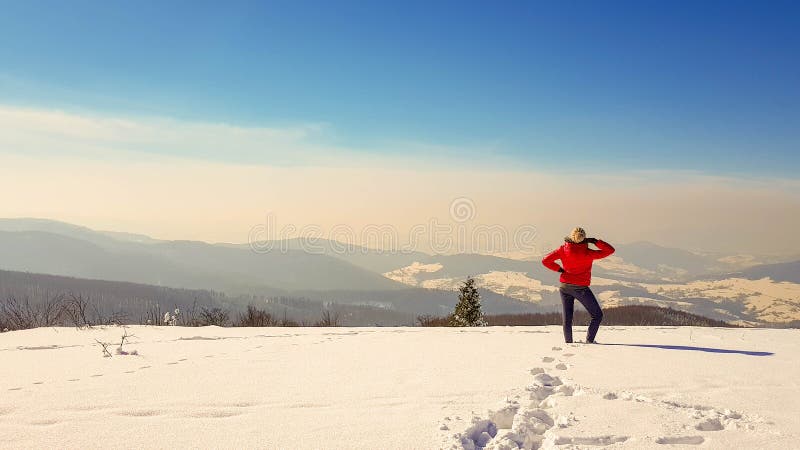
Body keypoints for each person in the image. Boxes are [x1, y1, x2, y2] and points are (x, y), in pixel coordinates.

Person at [541, 227, 615, 344]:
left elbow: (545, 260)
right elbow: (610, 250)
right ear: (584, 238)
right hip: (581, 288)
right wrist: (595, 241)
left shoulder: (563, 249)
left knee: (567, 318)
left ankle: (569, 344)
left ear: (571, 237)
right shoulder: (588, 252)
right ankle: (590, 341)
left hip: (565, 287)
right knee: (597, 315)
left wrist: (559, 269)